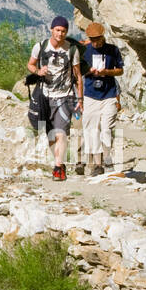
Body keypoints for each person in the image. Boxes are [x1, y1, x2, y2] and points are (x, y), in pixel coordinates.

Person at [27, 16, 82, 181]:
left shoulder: (72, 50)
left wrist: (79, 98)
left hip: (65, 97)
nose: (60, 33)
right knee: (51, 133)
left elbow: (78, 76)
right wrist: (38, 72)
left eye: (64, 31)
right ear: (52, 30)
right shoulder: (40, 47)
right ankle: (59, 162)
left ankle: (58, 167)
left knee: (61, 133)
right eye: (58, 30)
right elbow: (30, 64)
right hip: (45, 96)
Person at [79, 22, 124, 175]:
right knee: (92, 129)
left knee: (107, 128)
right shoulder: (85, 51)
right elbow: (79, 73)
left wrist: (107, 72)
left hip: (109, 94)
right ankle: (98, 165)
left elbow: (120, 71)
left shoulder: (113, 50)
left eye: (97, 39)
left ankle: (107, 157)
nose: (95, 42)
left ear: (103, 36)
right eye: (92, 39)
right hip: (91, 94)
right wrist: (90, 71)